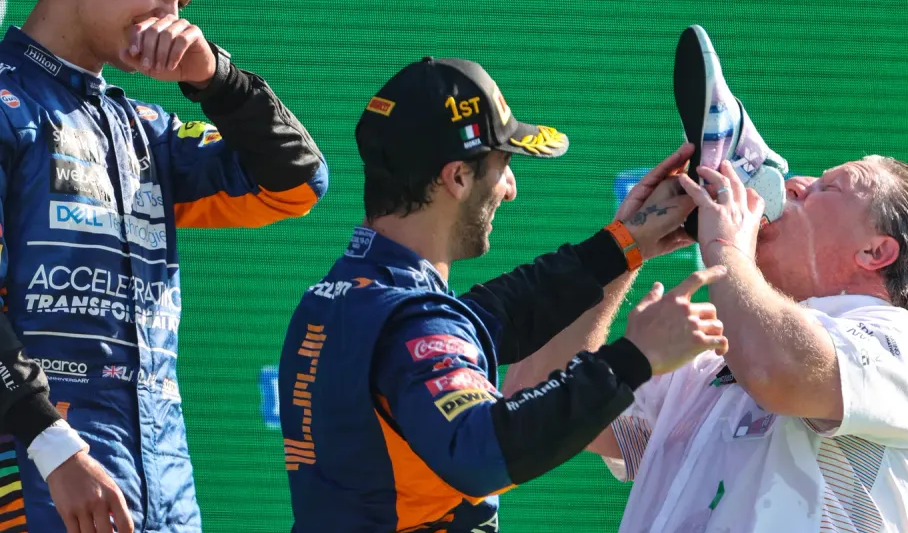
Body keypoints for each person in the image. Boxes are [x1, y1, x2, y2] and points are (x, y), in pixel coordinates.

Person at [277, 56, 729, 533]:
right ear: (457, 178)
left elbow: (488, 317)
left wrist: (621, 243)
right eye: (504, 164)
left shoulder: (346, 294)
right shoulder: (410, 319)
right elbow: (482, 451)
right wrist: (635, 358)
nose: (510, 189)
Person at [0, 0, 329, 531]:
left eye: (181, 1)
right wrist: (52, 445)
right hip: (37, 476)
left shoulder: (146, 133)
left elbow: (297, 184)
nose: (170, 19)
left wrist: (218, 80)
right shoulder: (5, 104)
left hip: (161, 483)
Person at [583, 153, 908, 532]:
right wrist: (620, 248)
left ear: (875, 252)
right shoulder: (707, 357)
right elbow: (551, 409)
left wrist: (725, 245)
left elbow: (776, 371)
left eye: (828, 186)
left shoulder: (904, 340)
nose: (795, 183)